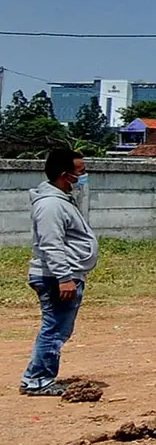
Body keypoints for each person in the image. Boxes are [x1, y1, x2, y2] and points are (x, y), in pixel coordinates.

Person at [22, 148, 95, 397]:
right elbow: (51, 244)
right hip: (55, 277)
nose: (84, 176)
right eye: (81, 172)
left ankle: (37, 377)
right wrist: (64, 278)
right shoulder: (51, 205)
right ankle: (38, 380)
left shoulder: (61, 200)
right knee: (54, 330)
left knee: (56, 329)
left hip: (62, 275)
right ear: (65, 175)